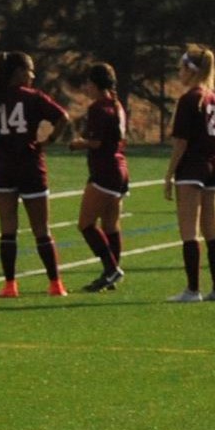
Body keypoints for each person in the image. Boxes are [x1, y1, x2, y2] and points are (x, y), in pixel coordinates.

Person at [0, 51, 72, 299]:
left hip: (2, 168)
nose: (32, 75)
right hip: (31, 166)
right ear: (18, 73)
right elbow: (62, 117)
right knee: (41, 229)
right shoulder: (33, 97)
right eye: (29, 70)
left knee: (8, 228)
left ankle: (10, 285)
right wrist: (49, 140)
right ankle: (55, 284)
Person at [167, 45, 215, 303]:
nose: (178, 73)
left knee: (189, 230)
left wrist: (169, 175)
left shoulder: (190, 99)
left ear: (191, 70)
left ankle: (192, 290)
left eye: (181, 68)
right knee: (212, 229)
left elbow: (181, 143)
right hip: (213, 165)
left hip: (192, 166)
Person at [69, 62, 130, 293]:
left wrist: (77, 143)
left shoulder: (99, 107)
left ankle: (111, 269)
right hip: (120, 168)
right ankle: (111, 274)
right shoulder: (117, 105)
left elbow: (96, 142)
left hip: (105, 171)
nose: (86, 87)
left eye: (88, 83)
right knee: (110, 225)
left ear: (95, 84)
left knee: (85, 224)